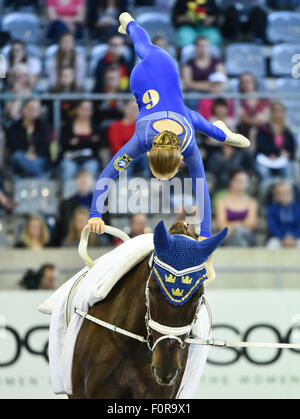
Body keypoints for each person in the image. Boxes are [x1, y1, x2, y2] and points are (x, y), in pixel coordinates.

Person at [88, 13, 250, 244]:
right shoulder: (143, 140)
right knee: (190, 116)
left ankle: (222, 134)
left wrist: (96, 213)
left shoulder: (177, 143)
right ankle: (129, 22)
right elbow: (107, 175)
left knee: (193, 119)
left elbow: (108, 174)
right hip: (144, 82)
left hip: (160, 78)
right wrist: (93, 214)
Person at [6, 99, 51, 178]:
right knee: (17, 156)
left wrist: (36, 155)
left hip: (39, 158)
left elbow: (45, 146)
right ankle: (41, 179)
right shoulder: (14, 127)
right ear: (23, 109)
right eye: (30, 108)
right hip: (21, 157)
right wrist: (27, 155)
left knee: (36, 164)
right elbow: (13, 146)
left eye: (36, 109)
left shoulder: (44, 127)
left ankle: (34, 177)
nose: (32, 111)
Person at [59, 100, 101, 182]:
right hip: (70, 158)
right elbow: (64, 144)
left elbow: (98, 145)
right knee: (69, 169)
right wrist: (89, 141)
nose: (86, 112)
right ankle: (69, 194)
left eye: (89, 109)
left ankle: (90, 194)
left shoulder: (95, 126)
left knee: (91, 167)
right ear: (77, 110)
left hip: (89, 158)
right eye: (84, 109)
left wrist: (77, 143)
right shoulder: (67, 125)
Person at [108, 99, 149, 177]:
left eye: (137, 110)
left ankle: (145, 179)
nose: (134, 112)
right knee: (126, 160)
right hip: (122, 156)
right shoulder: (115, 126)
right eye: (132, 108)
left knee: (146, 155)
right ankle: (126, 185)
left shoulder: (141, 126)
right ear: (125, 109)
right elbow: (116, 147)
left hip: (139, 155)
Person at [216, 169, 257, 246]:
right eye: (238, 181)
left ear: (248, 183)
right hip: (228, 236)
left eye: (243, 181)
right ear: (231, 182)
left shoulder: (252, 202)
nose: (240, 184)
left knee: (240, 233)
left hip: (246, 236)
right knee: (238, 237)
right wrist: (239, 226)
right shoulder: (222, 201)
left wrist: (234, 226)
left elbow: (251, 224)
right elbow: (221, 224)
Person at [256, 101, 296, 180]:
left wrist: (288, 154)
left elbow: (292, 148)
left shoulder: (287, 131)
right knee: (264, 172)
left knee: (288, 170)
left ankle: (286, 191)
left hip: (282, 159)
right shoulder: (263, 128)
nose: (278, 114)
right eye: (275, 111)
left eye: (280, 111)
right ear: (271, 113)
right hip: (266, 157)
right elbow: (261, 146)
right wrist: (276, 153)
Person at [237, 72, 270, 146]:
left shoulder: (264, 99)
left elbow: (265, 118)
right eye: (243, 82)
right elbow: (242, 117)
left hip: (263, 131)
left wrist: (251, 120)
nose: (245, 84)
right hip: (244, 130)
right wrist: (256, 120)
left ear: (254, 83)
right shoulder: (239, 100)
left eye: (248, 81)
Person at [267, 182, 300, 249]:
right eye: (279, 193)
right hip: (278, 237)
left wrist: (293, 237)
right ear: (276, 195)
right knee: (271, 246)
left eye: (286, 192)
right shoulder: (271, 209)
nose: (283, 195)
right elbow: (272, 227)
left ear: (291, 194)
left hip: (296, 237)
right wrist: (282, 238)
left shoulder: (298, 209)